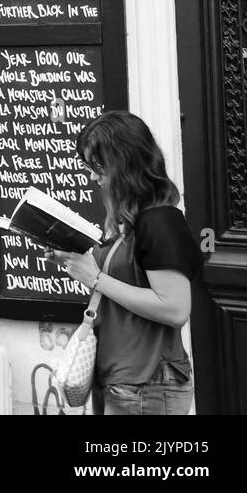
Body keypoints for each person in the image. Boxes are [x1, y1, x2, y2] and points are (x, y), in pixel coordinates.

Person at [47, 111, 202, 416]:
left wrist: (96, 279)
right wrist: (77, 261)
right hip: (124, 380)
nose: (93, 177)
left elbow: (175, 309)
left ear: (125, 162)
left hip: (145, 383)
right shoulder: (130, 220)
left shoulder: (159, 220)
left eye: (98, 166)